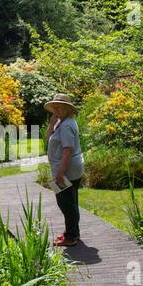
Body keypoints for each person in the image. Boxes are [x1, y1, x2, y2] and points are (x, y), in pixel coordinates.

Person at [44, 93, 84, 246]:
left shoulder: (66, 125)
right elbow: (48, 138)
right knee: (70, 201)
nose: (56, 110)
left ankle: (71, 236)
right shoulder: (62, 123)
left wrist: (60, 172)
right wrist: (52, 123)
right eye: (54, 107)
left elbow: (68, 149)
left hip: (66, 170)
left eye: (59, 107)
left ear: (67, 109)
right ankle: (72, 233)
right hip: (68, 168)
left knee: (65, 203)